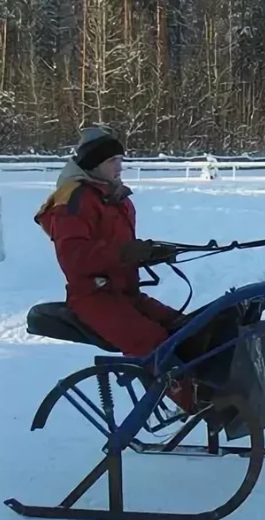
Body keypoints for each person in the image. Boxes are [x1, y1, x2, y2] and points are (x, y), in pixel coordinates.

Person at [34, 126, 199, 412]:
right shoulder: (74, 200)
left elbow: (119, 249)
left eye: (120, 160)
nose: (120, 167)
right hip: (93, 298)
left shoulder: (116, 199)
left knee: (184, 327)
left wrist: (150, 253)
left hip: (125, 293)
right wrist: (126, 252)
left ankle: (207, 392)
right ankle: (196, 405)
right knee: (151, 340)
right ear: (94, 164)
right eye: (113, 161)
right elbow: (73, 258)